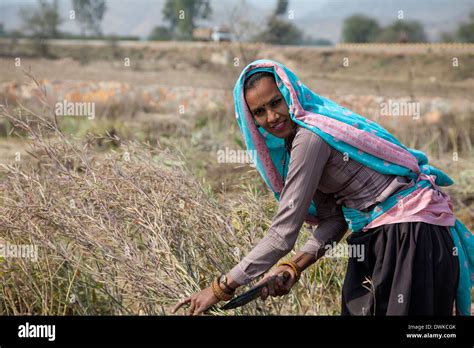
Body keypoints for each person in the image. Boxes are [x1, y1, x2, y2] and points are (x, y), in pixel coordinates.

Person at [172, 59, 473, 316]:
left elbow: (281, 234)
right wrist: (295, 266)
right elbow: (336, 217)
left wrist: (221, 288)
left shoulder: (310, 138)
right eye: (260, 112)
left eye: (276, 103)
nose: (272, 117)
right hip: (384, 233)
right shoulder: (298, 145)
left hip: (409, 235)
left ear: (290, 96)